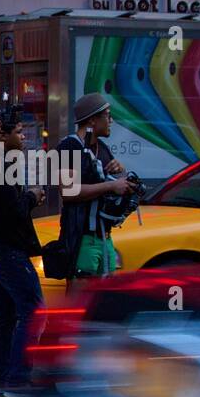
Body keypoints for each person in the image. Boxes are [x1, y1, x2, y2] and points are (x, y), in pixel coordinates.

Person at [0, 107, 44, 397]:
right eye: (18, 131)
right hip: (7, 249)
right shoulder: (1, 164)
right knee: (33, 311)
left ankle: (2, 377)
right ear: (1, 134)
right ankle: (18, 379)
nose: (24, 136)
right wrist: (32, 195)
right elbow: (12, 210)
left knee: (5, 314)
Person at [56, 92, 131, 284]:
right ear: (92, 120)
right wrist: (110, 185)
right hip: (82, 240)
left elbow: (115, 185)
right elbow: (68, 191)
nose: (111, 120)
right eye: (107, 115)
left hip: (105, 239)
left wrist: (120, 172)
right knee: (78, 306)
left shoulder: (103, 148)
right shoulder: (68, 146)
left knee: (103, 307)